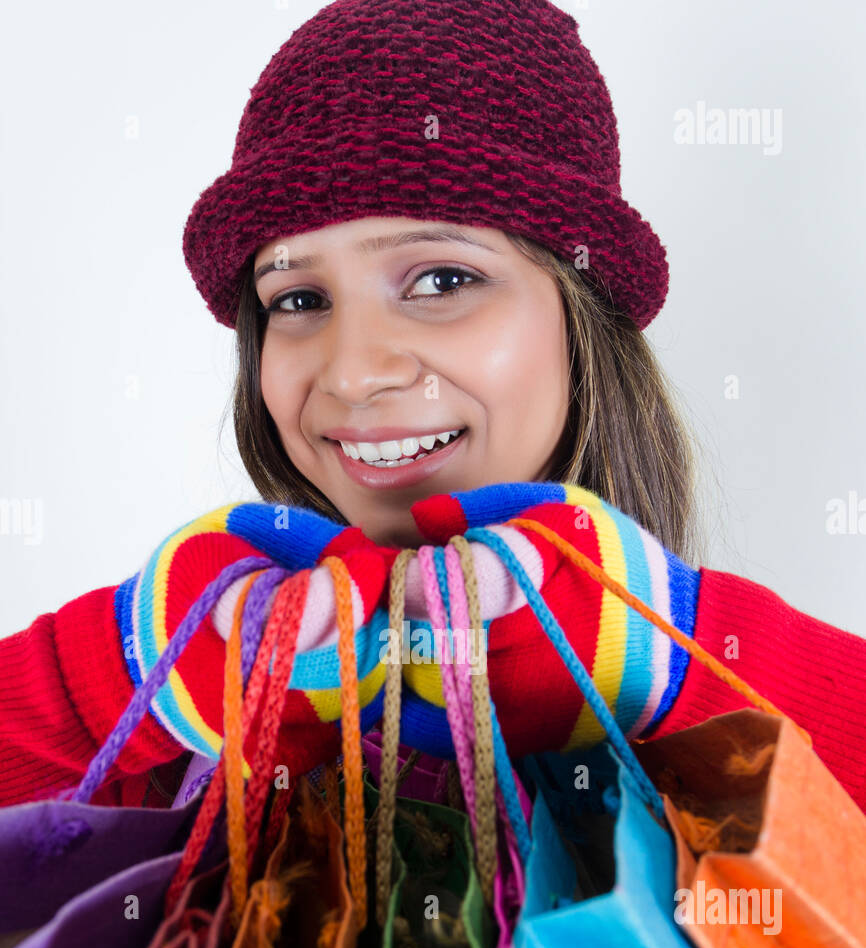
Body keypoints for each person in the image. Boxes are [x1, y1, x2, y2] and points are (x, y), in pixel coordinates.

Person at [1, 0, 865, 818]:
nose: (354, 372)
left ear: (582, 318)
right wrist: (103, 675)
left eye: (443, 280)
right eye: (297, 299)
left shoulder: (713, 687)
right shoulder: (168, 751)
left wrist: (669, 657)